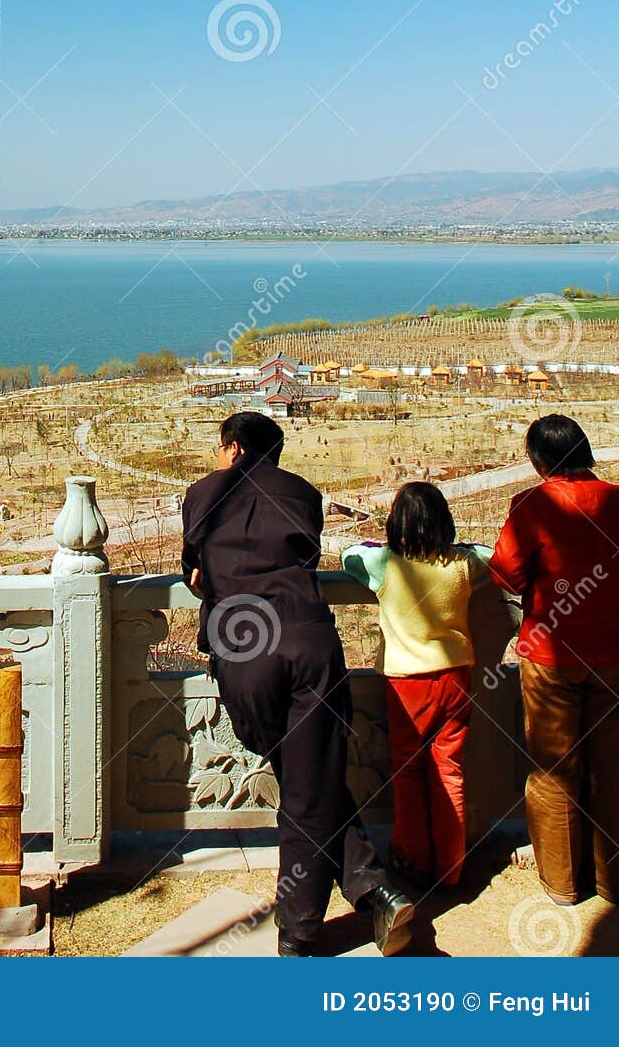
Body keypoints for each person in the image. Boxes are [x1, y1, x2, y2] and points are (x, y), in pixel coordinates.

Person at [182, 410, 413, 956]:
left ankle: (302, 931)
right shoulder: (303, 493)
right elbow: (304, 557)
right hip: (309, 640)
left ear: (233, 448)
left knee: (300, 778)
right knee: (311, 780)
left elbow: (194, 572)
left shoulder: (201, 495)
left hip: (243, 649)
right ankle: (370, 888)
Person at [490, 414, 619, 907]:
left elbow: (505, 574)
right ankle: (612, 880)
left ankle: (565, 884)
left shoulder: (532, 506)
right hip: (614, 656)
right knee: (612, 767)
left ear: (540, 460)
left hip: (551, 658)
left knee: (554, 769)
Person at [342, 483, 492, 890]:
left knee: (407, 772)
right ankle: (452, 866)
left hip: (408, 683)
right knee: (450, 770)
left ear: (397, 523)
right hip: (456, 676)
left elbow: (349, 556)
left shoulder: (385, 564)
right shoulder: (462, 563)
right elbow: (489, 555)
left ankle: (412, 858)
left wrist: (377, 539)